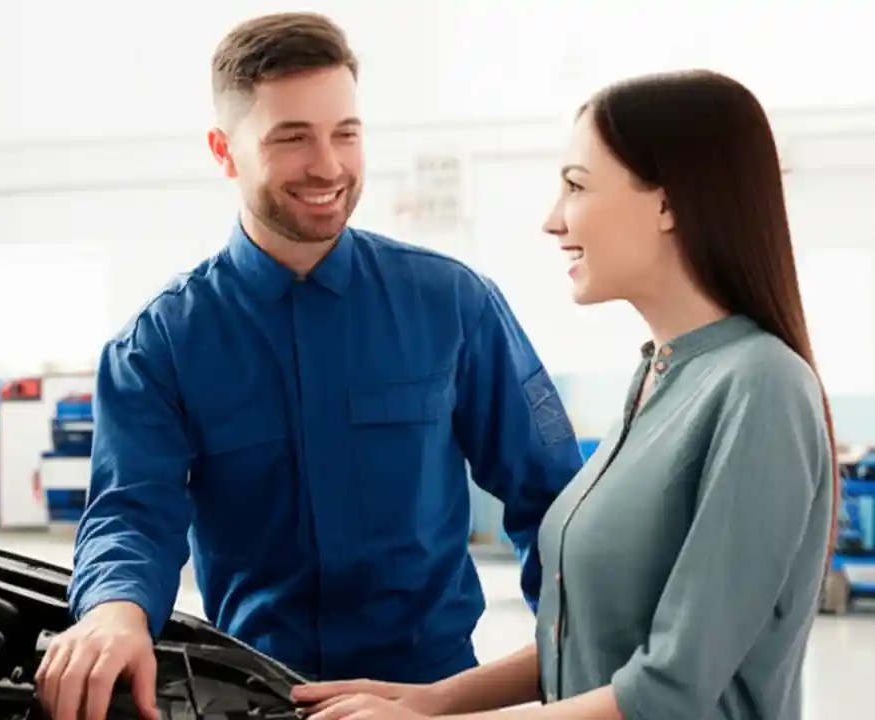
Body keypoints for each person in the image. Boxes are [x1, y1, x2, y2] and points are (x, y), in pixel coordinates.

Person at [34, 12, 583, 720]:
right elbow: (131, 511)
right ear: (224, 151)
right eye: (291, 138)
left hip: (430, 697)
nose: (328, 165)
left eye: (345, 134)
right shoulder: (160, 345)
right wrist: (113, 611)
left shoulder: (452, 305)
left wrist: (571, 654)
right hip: (254, 694)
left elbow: (556, 503)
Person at [291, 69, 839, 720]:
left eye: (576, 186)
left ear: (669, 203)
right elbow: (587, 640)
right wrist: (432, 699)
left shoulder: (762, 387)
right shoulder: (658, 377)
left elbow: (670, 687)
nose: (553, 220)